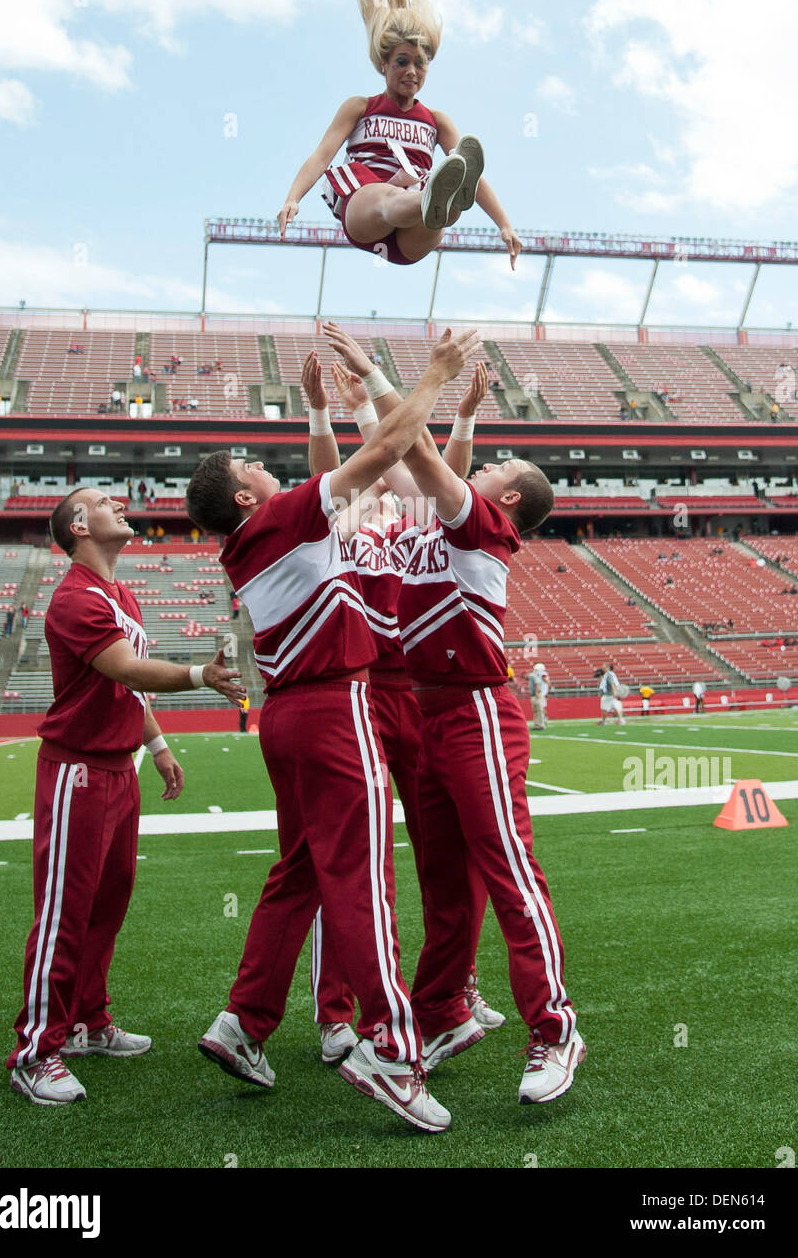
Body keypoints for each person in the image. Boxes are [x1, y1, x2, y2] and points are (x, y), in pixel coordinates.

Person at [184, 326, 480, 1133]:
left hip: (287, 712)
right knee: (363, 878)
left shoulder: (265, 532)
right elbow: (384, 450)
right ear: (246, 497)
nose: (265, 466)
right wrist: (432, 376)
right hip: (332, 701)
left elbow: (351, 478)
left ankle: (243, 1021)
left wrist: (330, 408)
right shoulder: (278, 518)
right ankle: (389, 1045)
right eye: (253, 467)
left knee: (299, 872)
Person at [323, 323, 583, 1106]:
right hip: (432, 717)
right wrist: (374, 392)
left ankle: (554, 1026)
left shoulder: (480, 523)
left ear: (505, 499)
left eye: (497, 465)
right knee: (442, 878)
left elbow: (424, 458)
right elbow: (398, 455)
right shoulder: (433, 521)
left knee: (509, 872)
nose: (486, 463)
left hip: (477, 712)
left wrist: (391, 373)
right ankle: (440, 1012)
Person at [6, 488, 245, 1107]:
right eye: (102, 500)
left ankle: (87, 1021)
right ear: (79, 526)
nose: (120, 502)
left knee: (106, 906)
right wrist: (199, 675)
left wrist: (158, 745)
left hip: (118, 768)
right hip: (77, 773)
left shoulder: (120, 592)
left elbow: (129, 695)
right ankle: (35, 1050)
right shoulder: (74, 596)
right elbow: (128, 670)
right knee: (64, 913)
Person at [301, 346, 504, 1065]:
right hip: (362, 688)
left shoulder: (415, 515)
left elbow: (430, 463)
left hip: (418, 693)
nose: (383, 472)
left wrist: (468, 417)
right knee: (352, 855)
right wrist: (334, 407)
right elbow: (349, 465)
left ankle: (455, 985)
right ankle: (335, 1011)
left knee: (447, 854)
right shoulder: (351, 515)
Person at [277, 0, 521, 270]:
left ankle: (441, 200)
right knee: (392, 200)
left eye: (420, 64)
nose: (411, 71)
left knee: (446, 208)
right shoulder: (360, 107)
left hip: (412, 230)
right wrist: (293, 197)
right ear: (384, 65)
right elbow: (322, 155)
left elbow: (478, 179)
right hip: (367, 204)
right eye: (402, 62)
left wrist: (504, 223)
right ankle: (433, 196)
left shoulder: (437, 121)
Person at [529, 663, 551, 730]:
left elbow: (544, 681)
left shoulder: (539, 674)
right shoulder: (540, 674)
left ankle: (542, 721)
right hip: (541, 693)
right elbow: (546, 682)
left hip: (540, 693)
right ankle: (542, 721)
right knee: (540, 709)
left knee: (540, 709)